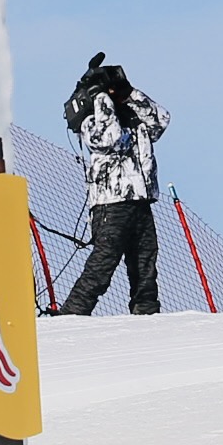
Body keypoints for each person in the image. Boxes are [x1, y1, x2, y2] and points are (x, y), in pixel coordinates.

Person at [59, 52, 170, 316]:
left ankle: (147, 311)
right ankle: (73, 313)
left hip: (140, 200)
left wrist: (130, 92)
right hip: (111, 204)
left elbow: (160, 121)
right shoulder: (91, 123)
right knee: (103, 262)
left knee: (145, 261)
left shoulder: (133, 118)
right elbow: (110, 138)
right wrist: (99, 96)